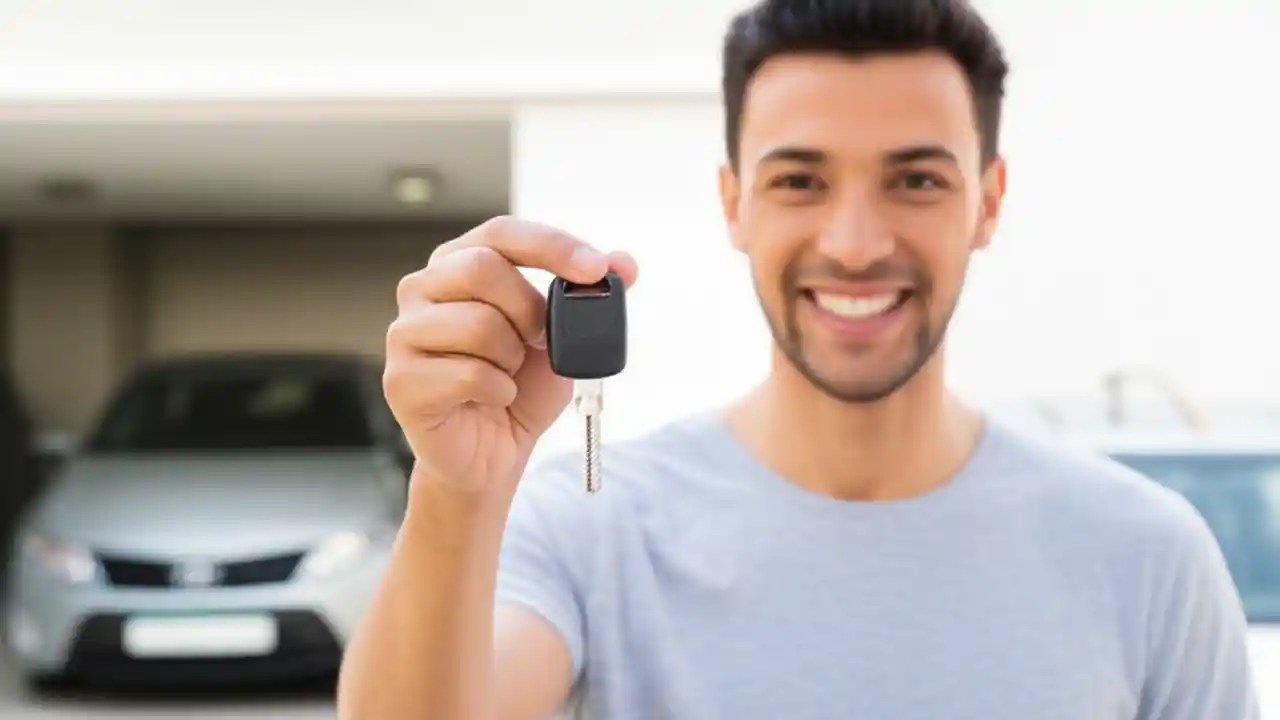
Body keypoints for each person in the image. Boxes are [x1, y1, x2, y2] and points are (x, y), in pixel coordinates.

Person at [336, 0, 1260, 718]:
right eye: (800, 181)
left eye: (916, 179)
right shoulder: (591, 526)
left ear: (987, 201)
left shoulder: (1148, 556)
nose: (855, 243)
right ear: (735, 202)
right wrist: (456, 491)